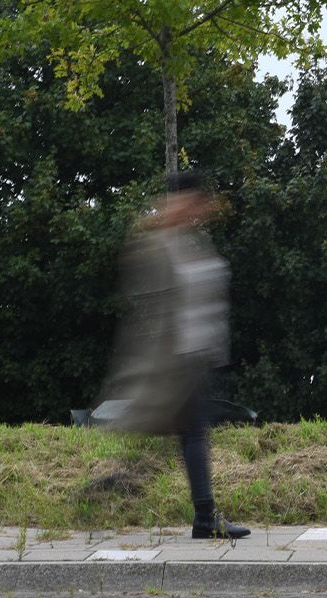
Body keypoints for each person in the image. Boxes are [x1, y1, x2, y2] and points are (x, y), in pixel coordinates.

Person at [90, 170, 249, 539]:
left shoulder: (192, 241)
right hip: (176, 358)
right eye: (189, 201)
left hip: (196, 354)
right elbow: (150, 308)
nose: (196, 209)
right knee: (192, 433)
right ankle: (203, 517)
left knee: (189, 433)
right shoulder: (159, 245)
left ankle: (199, 515)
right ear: (175, 201)